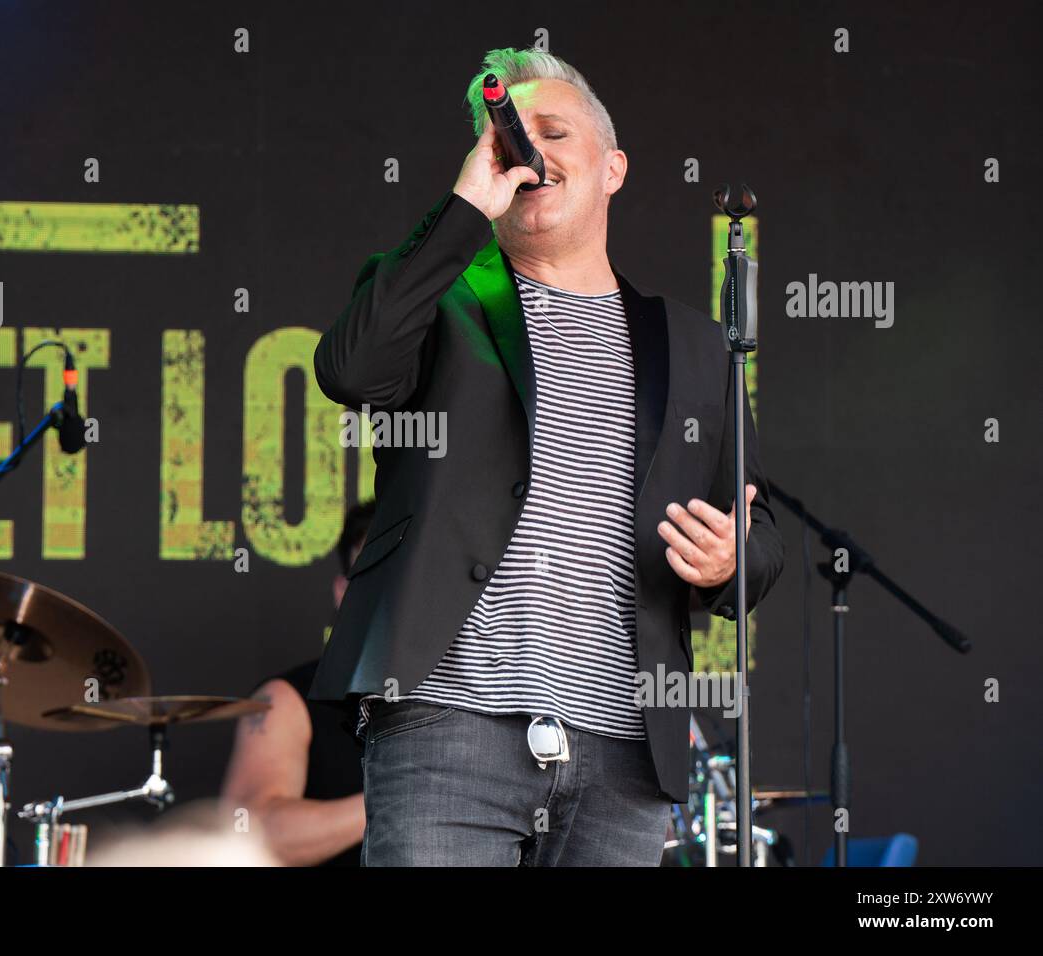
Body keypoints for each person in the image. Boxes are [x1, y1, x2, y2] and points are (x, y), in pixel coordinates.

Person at [309, 47, 784, 866]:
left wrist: (729, 561)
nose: (529, 151)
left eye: (554, 131)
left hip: (627, 753)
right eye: (508, 138)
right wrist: (466, 207)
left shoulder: (691, 343)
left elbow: (760, 531)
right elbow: (351, 371)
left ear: (613, 169)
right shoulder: (441, 301)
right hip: (448, 725)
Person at [220, 501, 376, 866]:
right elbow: (248, 830)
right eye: (374, 575)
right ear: (342, 592)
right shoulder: (289, 698)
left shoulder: (491, 694)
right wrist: (404, 799)